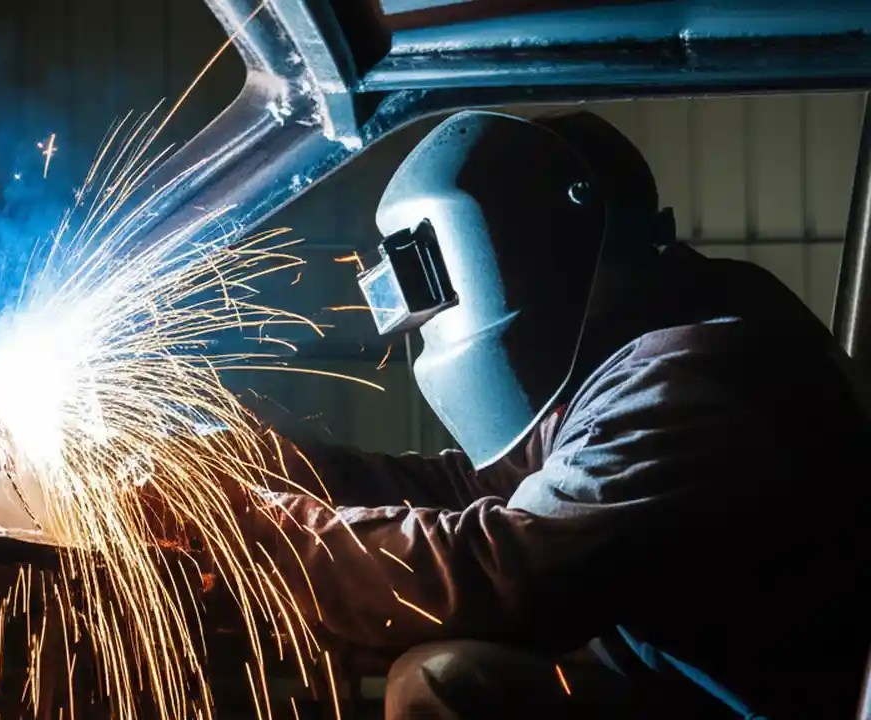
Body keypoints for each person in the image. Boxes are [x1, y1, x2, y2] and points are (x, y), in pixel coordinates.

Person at [208, 110, 871, 719]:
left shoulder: (695, 378)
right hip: (681, 676)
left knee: (445, 683)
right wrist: (272, 468)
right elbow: (480, 489)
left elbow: (509, 573)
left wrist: (251, 527)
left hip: (755, 706)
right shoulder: (630, 348)